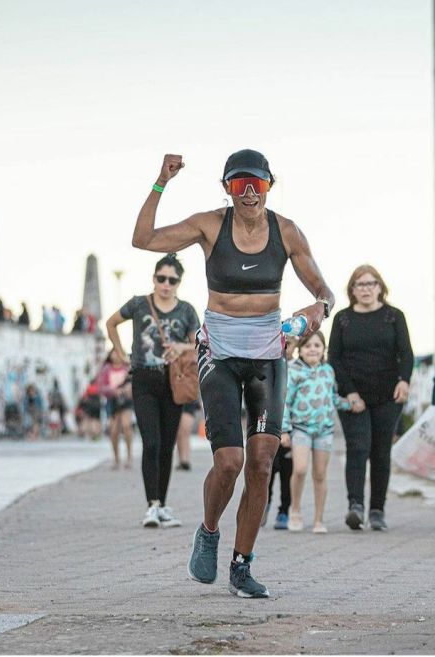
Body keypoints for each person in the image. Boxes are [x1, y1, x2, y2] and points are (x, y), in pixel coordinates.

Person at [132, 150, 334, 598]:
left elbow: (324, 291)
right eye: (239, 184)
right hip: (219, 352)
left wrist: (316, 310)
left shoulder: (287, 231)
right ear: (227, 188)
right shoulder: (209, 225)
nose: (248, 193)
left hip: (267, 354)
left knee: (262, 462)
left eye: (256, 185)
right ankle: (208, 532)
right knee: (230, 462)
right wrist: (161, 181)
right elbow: (142, 239)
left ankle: (242, 565)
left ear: (268, 186)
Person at [105, 255, 200, 529]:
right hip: (144, 379)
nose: (166, 285)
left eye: (172, 280)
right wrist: (121, 352)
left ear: (179, 283)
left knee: (168, 445)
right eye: (162, 278)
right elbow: (110, 323)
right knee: (152, 442)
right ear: (154, 278)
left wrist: (181, 348)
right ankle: (152, 505)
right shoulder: (139, 304)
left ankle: (163, 503)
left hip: (174, 381)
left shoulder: (186, 311)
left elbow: (199, 345)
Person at [328, 265, 413, 531]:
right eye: (360, 284)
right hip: (352, 395)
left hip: (387, 395)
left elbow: (406, 353)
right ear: (352, 290)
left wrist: (404, 380)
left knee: (380, 452)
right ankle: (356, 506)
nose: (365, 289)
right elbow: (334, 359)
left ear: (380, 287)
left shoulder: (394, 316)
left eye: (370, 283)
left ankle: (377, 510)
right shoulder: (343, 319)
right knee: (358, 447)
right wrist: (350, 391)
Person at [282, 331, 351, 533]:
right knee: (300, 469)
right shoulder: (294, 371)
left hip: (324, 430)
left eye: (317, 345)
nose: (313, 349)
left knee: (320, 474)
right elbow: (286, 402)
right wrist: (285, 430)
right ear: (300, 350)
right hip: (301, 428)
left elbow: (333, 397)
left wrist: (349, 404)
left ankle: (319, 519)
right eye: (308, 346)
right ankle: (295, 510)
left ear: (323, 349)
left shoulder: (328, 371)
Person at [262, 335, 298, 530]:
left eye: (289, 345)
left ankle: (284, 510)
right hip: (270, 429)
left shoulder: (298, 370)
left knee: (287, 475)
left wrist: (290, 431)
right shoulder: (267, 367)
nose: (285, 348)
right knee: (266, 472)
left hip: (290, 434)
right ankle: (263, 506)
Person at [98, 350, 134, 469]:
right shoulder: (106, 369)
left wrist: (127, 389)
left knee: (126, 425)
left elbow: (133, 381)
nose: (116, 355)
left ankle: (129, 457)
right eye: (114, 353)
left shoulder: (127, 368)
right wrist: (113, 390)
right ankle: (116, 458)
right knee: (113, 431)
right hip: (112, 402)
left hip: (126, 401)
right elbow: (101, 386)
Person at [175, 399, 200, 471]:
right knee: (183, 434)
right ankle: (184, 459)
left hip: (186, 398)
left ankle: (184, 459)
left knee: (183, 432)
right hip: (186, 397)